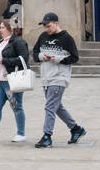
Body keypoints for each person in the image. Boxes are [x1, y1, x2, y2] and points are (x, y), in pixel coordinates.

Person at [32, 12, 86, 149]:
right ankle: (76, 129)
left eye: (48, 26)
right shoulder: (43, 36)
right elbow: (34, 53)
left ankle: (47, 136)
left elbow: (75, 58)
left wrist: (59, 59)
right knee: (56, 107)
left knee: (50, 106)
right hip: (46, 77)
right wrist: (40, 56)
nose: (46, 29)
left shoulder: (66, 38)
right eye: (44, 26)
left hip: (59, 78)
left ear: (56, 23)